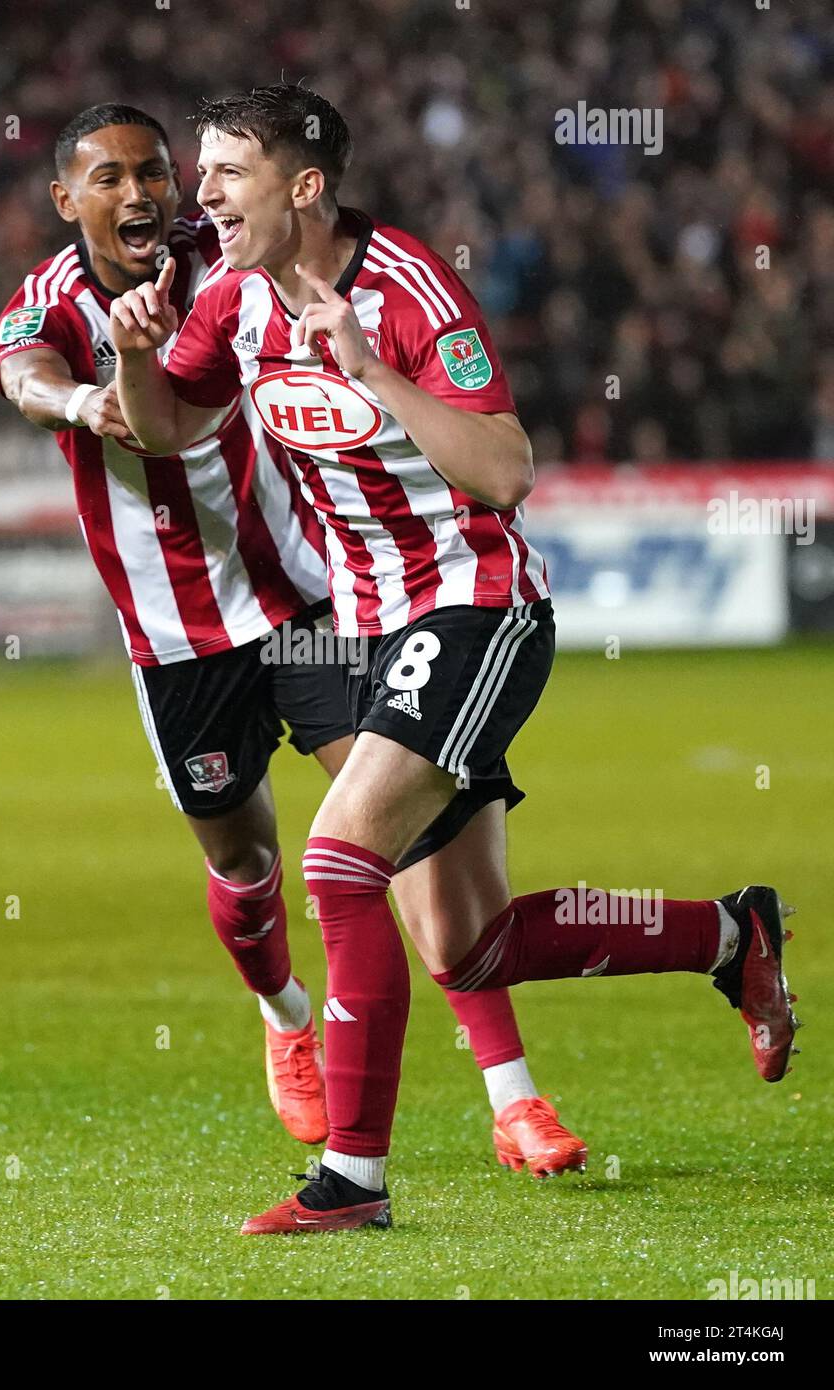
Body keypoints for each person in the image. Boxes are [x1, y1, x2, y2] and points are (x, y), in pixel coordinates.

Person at [110, 83, 803, 1234]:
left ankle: (351, 1183)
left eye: (228, 171)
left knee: (334, 866)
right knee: (468, 945)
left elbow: (505, 471)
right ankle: (731, 934)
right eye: (205, 169)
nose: (204, 193)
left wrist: (368, 371)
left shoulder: (406, 289)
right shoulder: (228, 297)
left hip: (476, 609)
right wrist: (136, 359)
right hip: (364, 627)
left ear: (305, 185)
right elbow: (169, 425)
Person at [0, 103, 588, 1176]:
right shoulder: (55, 300)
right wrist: (85, 399)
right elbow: (23, 372)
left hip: (307, 604)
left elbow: (479, 446)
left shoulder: (224, 258)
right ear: (65, 199)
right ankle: (282, 1015)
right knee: (247, 860)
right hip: (177, 637)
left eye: (158, 174)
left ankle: (512, 1097)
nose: (145, 194)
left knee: (397, 845)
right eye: (110, 179)